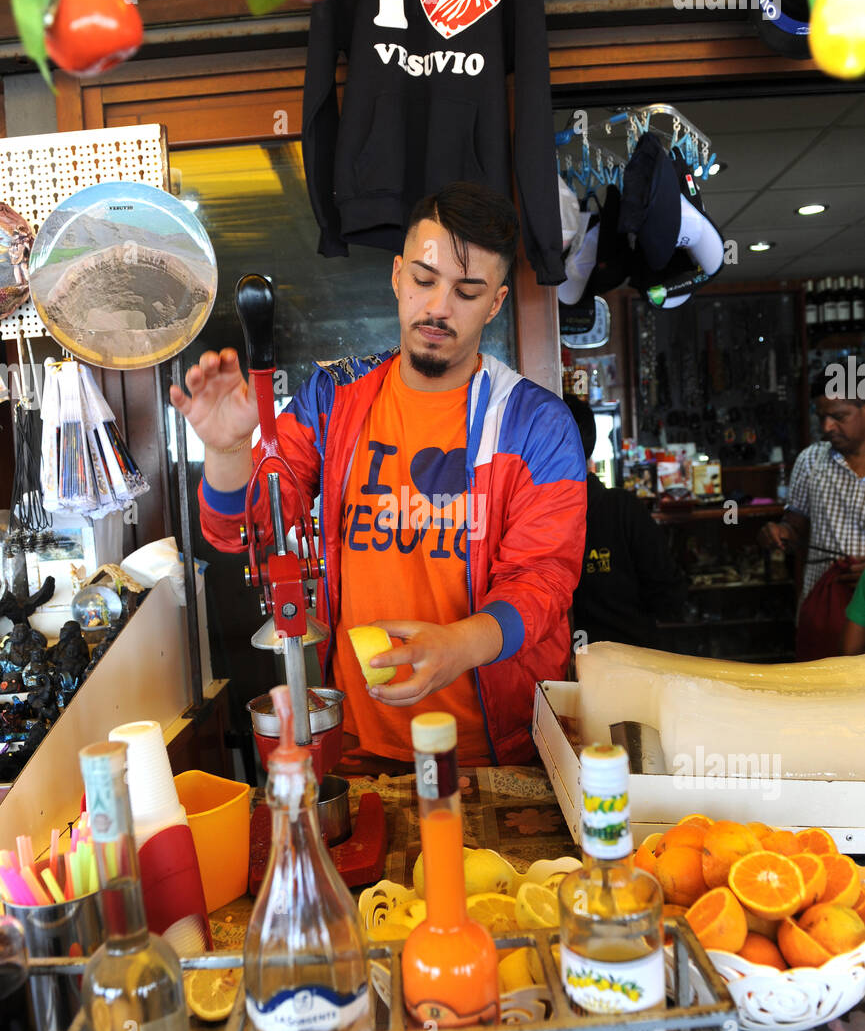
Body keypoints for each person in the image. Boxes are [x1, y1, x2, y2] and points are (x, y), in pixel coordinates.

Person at [171, 182, 587, 765]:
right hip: (358, 740)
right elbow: (248, 531)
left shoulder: (536, 424)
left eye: (468, 292)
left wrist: (459, 645)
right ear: (396, 276)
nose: (439, 307)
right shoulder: (333, 399)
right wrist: (228, 452)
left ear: (495, 303)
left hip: (493, 751)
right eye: (424, 280)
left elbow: (544, 579)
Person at [759, 370, 865, 659]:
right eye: (821, 417)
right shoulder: (811, 461)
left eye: (839, 416)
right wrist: (781, 532)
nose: (827, 426)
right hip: (823, 602)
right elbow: (795, 527)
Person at [567, 399, 687, 649]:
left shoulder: (542, 518)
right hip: (634, 661)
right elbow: (669, 595)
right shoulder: (623, 507)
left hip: (576, 668)